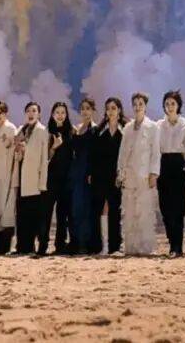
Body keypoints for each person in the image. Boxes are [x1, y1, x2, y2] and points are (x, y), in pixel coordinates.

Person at [116, 92, 161, 256]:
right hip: (129, 175)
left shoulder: (153, 127)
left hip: (145, 175)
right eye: (135, 104)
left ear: (145, 106)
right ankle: (131, 247)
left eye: (140, 104)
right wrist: (120, 172)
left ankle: (146, 247)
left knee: (144, 210)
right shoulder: (128, 128)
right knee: (129, 210)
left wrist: (154, 173)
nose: (137, 107)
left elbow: (156, 152)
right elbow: (122, 153)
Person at [156, 90, 185, 256]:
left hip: (178, 164)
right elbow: (155, 149)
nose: (170, 107)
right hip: (163, 164)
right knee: (165, 207)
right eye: (167, 104)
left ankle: (177, 246)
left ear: (178, 105)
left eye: (173, 103)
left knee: (178, 207)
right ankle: (172, 240)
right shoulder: (158, 125)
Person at [88, 97, 125, 254]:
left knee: (115, 210)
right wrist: (91, 172)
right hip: (100, 175)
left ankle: (114, 246)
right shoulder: (98, 131)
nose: (110, 111)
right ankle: (99, 246)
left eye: (113, 108)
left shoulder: (125, 131)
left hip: (116, 176)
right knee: (98, 209)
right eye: (108, 108)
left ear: (119, 110)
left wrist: (122, 174)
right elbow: (93, 154)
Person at [14, 102, 51, 255]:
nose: (31, 113)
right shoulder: (22, 130)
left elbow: (44, 158)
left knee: (35, 216)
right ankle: (23, 247)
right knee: (22, 215)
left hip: (35, 179)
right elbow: (18, 156)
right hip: (23, 178)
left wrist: (42, 182)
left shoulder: (42, 131)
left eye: (34, 111)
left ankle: (37, 247)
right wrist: (19, 150)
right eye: (28, 111)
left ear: (39, 114)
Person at [40, 102, 74, 255]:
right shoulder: (47, 132)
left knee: (63, 214)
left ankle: (60, 245)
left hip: (66, 179)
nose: (60, 115)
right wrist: (54, 146)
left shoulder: (72, 132)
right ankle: (42, 246)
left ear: (66, 115)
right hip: (50, 178)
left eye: (63, 112)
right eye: (57, 112)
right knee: (46, 212)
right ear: (52, 115)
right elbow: (44, 158)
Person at [67, 98, 98, 254]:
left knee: (87, 207)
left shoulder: (95, 129)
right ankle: (75, 241)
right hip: (75, 171)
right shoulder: (76, 129)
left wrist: (92, 172)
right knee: (75, 207)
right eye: (83, 108)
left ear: (92, 111)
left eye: (88, 108)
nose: (85, 111)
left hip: (87, 172)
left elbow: (96, 153)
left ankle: (86, 244)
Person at [0, 101, 18, 254]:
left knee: (6, 204)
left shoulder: (10, 128)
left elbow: (13, 152)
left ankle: (5, 245)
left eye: (1, 113)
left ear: (6, 114)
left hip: (7, 169)